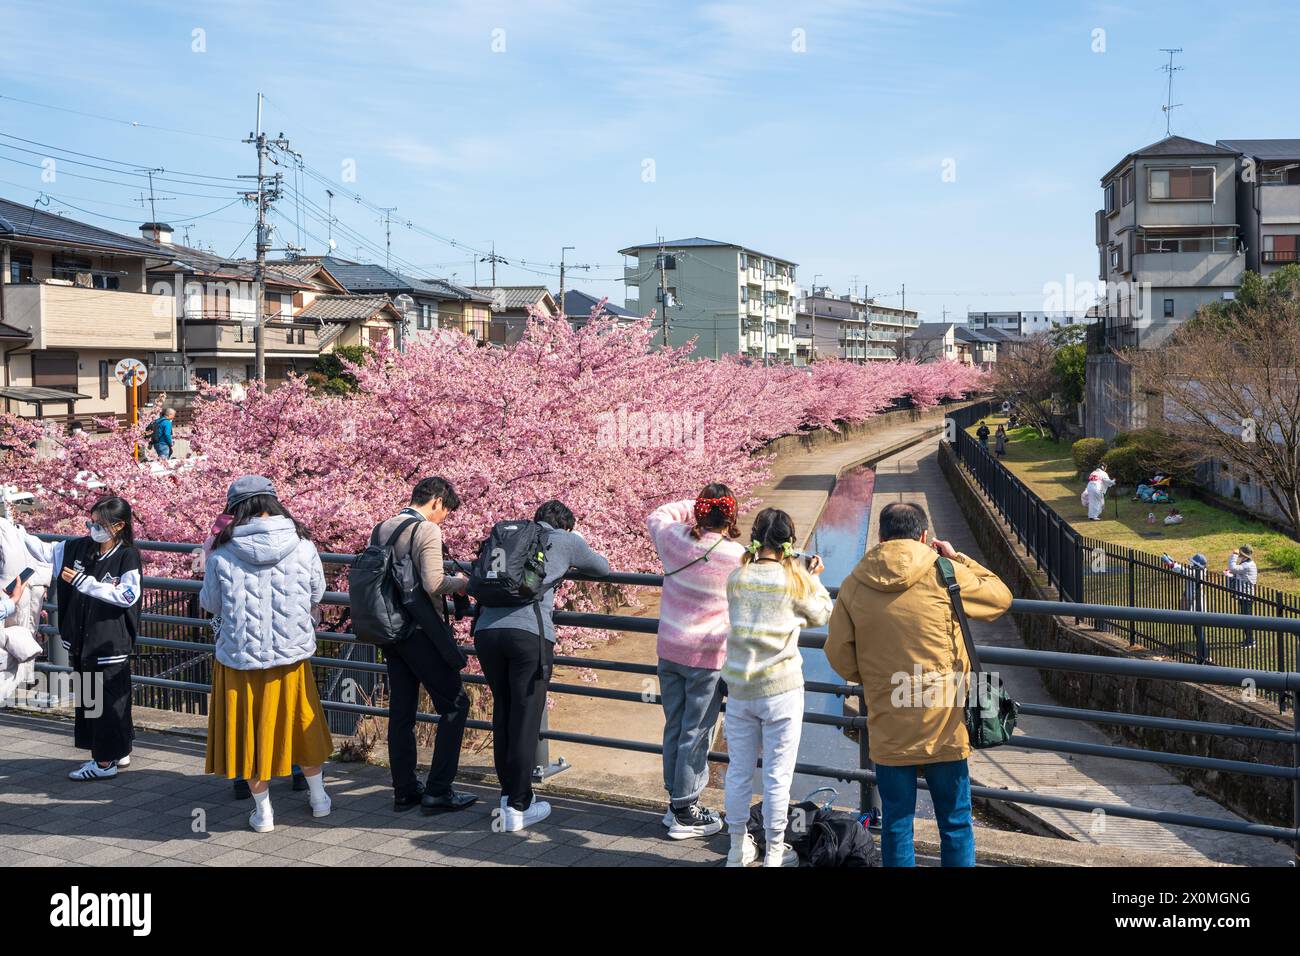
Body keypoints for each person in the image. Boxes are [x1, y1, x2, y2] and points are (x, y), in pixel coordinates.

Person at [825, 502, 1012, 867]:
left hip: (890, 720)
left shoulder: (854, 582)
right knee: (956, 822)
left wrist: (876, 679)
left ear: (880, 536)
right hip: (944, 720)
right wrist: (959, 558)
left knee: (896, 824)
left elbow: (839, 655)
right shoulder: (944, 570)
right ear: (924, 536)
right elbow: (1000, 598)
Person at [201, 476, 333, 833]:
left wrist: (208, 553)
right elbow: (317, 591)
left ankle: (265, 813)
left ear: (234, 510)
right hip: (291, 655)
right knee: (300, 723)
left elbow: (211, 603)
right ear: (274, 503)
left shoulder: (222, 551)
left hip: (240, 659)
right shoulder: (303, 544)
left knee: (250, 734)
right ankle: (319, 799)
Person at [476, 499, 611, 832]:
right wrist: (573, 548)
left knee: (505, 712)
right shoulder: (566, 539)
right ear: (565, 524)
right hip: (528, 636)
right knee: (525, 718)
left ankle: (509, 797)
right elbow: (602, 567)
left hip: (487, 633)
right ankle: (518, 807)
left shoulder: (510, 537)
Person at [721, 508, 831, 868]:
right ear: (789, 543)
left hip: (740, 689)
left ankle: (737, 846)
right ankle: (774, 851)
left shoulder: (737, 578)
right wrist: (811, 576)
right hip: (781, 689)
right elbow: (821, 613)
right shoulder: (792, 581)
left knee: (738, 770)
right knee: (777, 774)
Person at [373, 477, 478, 816]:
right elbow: (433, 582)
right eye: (445, 511)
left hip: (391, 631)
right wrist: (462, 583)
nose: (443, 519)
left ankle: (404, 790)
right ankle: (438, 791)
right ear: (436, 502)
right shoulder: (426, 531)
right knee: (455, 704)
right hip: (420, 632)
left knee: (401, 711)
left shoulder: (383, 527)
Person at [18, 497, 143, 780]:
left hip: (109, 642)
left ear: (119, 526)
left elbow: (127, 595)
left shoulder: (127, 556)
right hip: (81, 640)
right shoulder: (78, 547)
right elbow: (43, 550)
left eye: (99, 524)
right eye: (91, 522)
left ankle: (103, 763)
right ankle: (116, 752)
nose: (93, 528)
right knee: (91, 700)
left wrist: (84, 583)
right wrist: (14, 532)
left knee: (110, 702)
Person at [646, 484, 746, 839]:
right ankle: (685, 810)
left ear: (700, 510)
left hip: (670, 647)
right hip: (707, 655)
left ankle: (675, 800)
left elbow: (657, 514)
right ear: (731, 515)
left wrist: (693, 507)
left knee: (674, 724)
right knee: (697, 730)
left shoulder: (673, 539)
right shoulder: (738, 556)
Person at [1227, 545, 1258, 649]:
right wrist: (1229, 575)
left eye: (1240, 554)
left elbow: (1233, 568)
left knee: (1246, 619)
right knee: (1245, 618)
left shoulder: (1247, 565)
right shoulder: (1246, 564)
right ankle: (1248, 639)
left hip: (1246, 596)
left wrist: (1234, 555)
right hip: (1244, 595)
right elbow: (1239, 575)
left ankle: (1250, 641)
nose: (1239, 555)